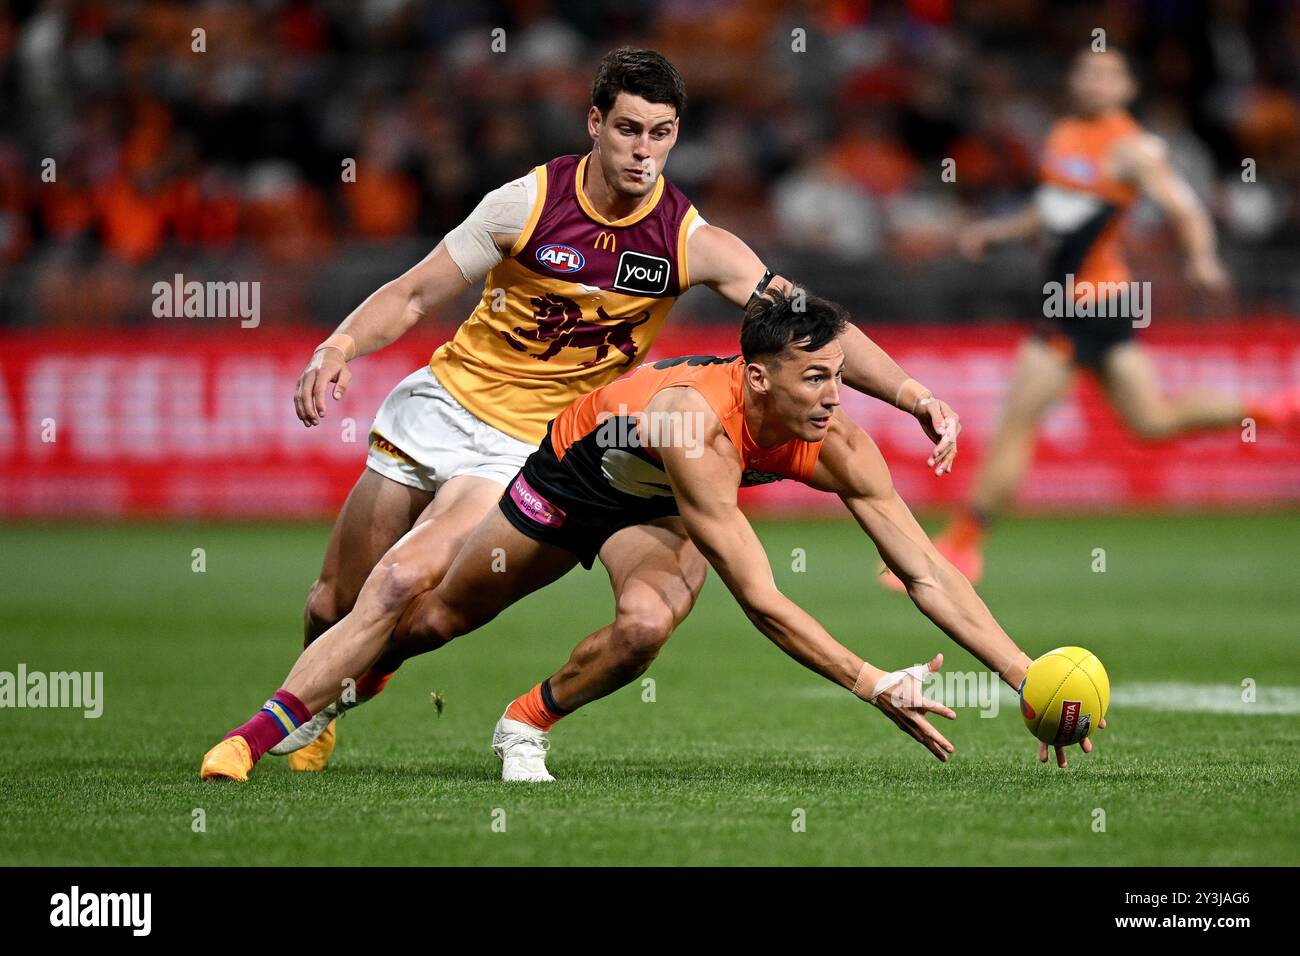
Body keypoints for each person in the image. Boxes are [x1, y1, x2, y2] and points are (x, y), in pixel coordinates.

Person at [284, 47, 960, 771]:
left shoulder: (687, 239)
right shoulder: (527, 204)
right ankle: (333, 687)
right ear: (595, 122)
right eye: (629, 130)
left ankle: (339, 703)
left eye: (661, 133)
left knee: (418, 590)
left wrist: (912, 394)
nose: (644, 151)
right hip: (450, 405)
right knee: (332, 602)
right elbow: (417, 292)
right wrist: (341, 344)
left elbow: (808, 323)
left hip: (544, 448)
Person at [201, 289, 1102, 785]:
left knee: (642, 629)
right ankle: (290, 714)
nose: (836, 396)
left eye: (840, 378)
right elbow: (761, 596)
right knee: (429, 622)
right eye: (818, 379)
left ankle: (524, 722)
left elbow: (926, 573)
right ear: (755, 377)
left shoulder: (839, 444)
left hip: (660, 510)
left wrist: (1024, 676)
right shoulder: (694, 426)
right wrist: (873, 684)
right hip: (569, 484)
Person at [889, 48, 1297, 588]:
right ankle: (1270, 412)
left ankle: (964, 545)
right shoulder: (1062, 136)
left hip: (1085, 302)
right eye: (1088, 71)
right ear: (1074, 80)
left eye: (1109, 74)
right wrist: (998, 232)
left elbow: (1184, 208)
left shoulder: (1131, 148)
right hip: (1092, 300)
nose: (1096, 81)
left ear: (1127, 88)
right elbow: (1053, 212)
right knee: (1152, 419)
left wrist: (1201, 257)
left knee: (1017, 419)